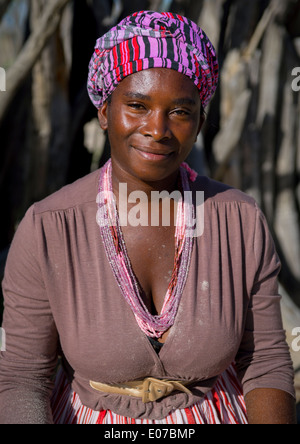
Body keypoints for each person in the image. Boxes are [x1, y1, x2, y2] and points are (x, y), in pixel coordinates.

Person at [0, 11, 296, 425]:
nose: (157, 129)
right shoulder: (49, 228)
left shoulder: (238, 220)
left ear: (199, 122)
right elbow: (21, 378)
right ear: (104, 111)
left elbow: (264, 361)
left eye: (180, 111)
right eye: (137, 105)